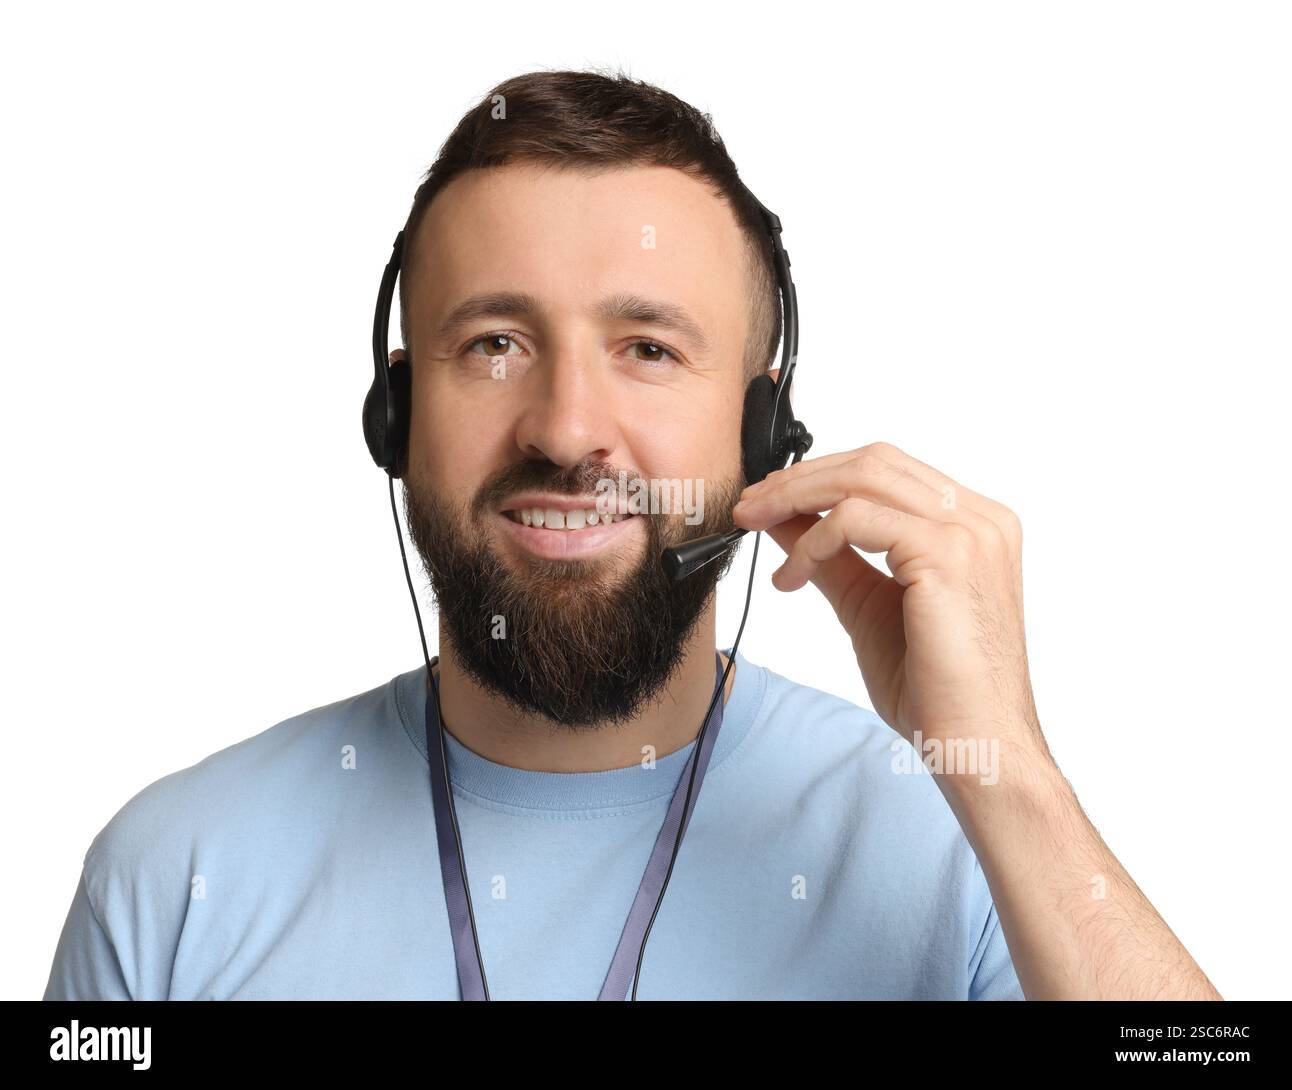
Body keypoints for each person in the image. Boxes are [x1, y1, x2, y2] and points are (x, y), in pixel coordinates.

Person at [44, 68, 1219, 1001]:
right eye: (494, 342)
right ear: (396, 412)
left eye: (647, 349)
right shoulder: (172, 880)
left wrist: (1007, 769)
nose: (564, 429)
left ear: (764, 432)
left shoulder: (963, 855)